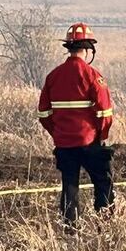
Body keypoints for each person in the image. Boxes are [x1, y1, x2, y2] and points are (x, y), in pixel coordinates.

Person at [38, 22, 115, 225]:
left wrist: (58, 133)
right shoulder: (93, 77)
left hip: (64, 144)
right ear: (89, 49)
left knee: (69, 186)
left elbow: (43, 113)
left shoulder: (53, 77)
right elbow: (105, 113)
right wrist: (101, 136)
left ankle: (70, 227)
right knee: (103, 182)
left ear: (69, 48)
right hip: (90, 142)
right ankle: (104, 223)